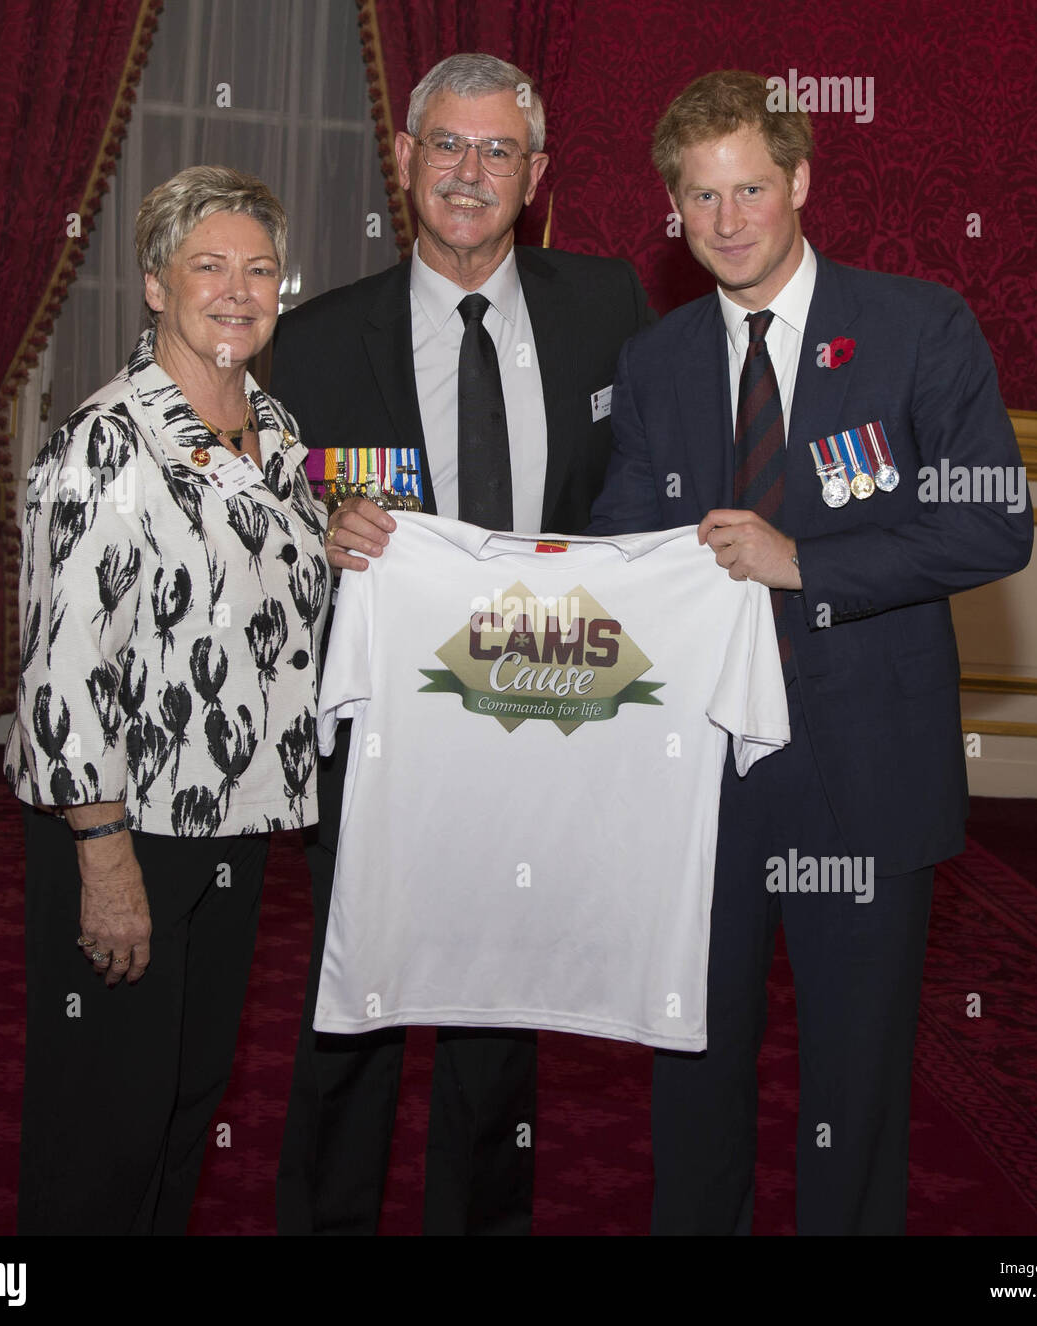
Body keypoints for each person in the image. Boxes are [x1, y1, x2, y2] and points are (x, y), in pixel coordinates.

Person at [587, 70, 1034, 1234]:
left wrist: (807, 566)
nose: (728, 220)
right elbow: (616, 556)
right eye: (700, 197)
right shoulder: (656, 361)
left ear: (797, 182)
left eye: (749, 188)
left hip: (865, 775)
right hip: (699, 776)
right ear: (673, 213)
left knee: (854, 1085)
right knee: (691, 1057)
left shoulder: (917, 325)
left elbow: (993, 522)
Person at [270, 52, 653, 1235]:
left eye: (498, 151)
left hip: (543, 717)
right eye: (446, 145)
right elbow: (266, 532)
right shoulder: (318, 339)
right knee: (355, 1001)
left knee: (502, 1006)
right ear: (404, 160)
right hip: (380, 730)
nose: (469, 173)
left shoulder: (609, 310)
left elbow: (642, 499)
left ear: (535, 175)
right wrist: (317, 532)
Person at [5, 166, 329, 1235]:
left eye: (259, 269)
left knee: (186, 1106)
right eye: (208, 267)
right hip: (123, 830)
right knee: (103, 1123)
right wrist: (103, 860)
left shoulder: (278, 434)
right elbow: (61, 666)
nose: (237, 291)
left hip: (236, 828)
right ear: (155, 286)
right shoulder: (108, 439)